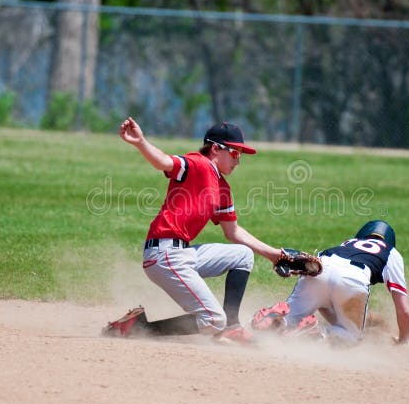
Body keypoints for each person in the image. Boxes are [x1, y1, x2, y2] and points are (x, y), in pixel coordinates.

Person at [103, 117, 283, 344]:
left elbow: (233, 232)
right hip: (164, 254)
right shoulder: (198, 163)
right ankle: (139, 329)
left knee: (243, 255)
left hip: (181, 254)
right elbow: (163, 162)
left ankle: (232, 326)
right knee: (213, 321)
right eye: (235, 153)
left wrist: (274, 255)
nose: (238, 161)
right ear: (216, 149)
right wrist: (140, 142)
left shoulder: (223, 188)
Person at [252, 220, 409, 346]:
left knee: (292, 317)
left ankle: (277, 320)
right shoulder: (391, 252)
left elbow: (324, 300)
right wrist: (403, 340)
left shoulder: (346, 244)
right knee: (350, 337)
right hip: (353, 277)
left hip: (320, 267)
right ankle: (318, 332)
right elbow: (403, 310)